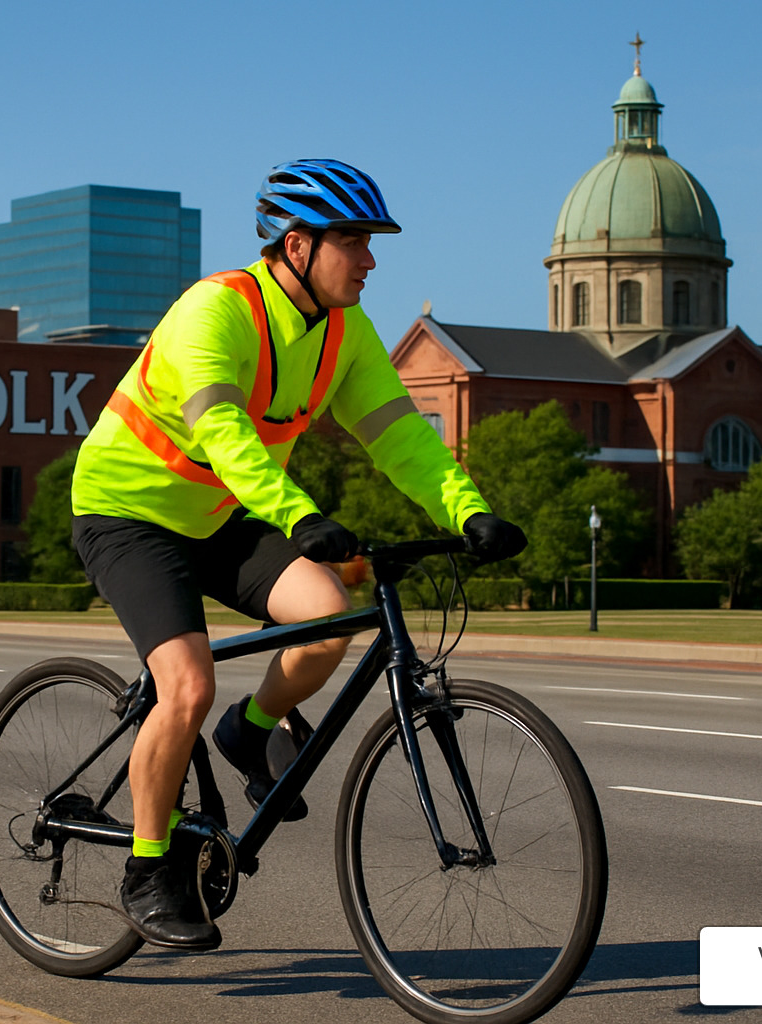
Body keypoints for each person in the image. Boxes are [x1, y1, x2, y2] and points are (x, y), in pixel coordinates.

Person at [69, 158, 526, 950]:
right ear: (296, 245)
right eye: (354, 241)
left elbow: (403, 439)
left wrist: (471, 509)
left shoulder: (344, 336)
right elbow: (225, 434)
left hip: (220, 516)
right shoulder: (212, 312)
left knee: (326, 618)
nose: (371, 259)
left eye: (369, 241)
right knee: (186, 684)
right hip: (127, 511)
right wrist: (301, 514)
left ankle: (250, 731)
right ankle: (147, 870)